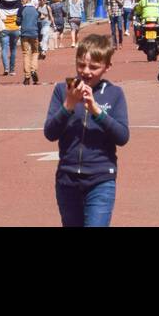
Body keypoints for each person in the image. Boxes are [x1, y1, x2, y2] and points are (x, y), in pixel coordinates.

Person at [43, 35, 129, 226]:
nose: (86, 72)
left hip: (101, 178)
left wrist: (97, 110)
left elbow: (122, 136)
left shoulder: (114, 94)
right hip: (67, 179)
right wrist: (68, 105)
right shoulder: (62, 90)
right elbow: (50, 133)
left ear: (107, 67)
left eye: (93, 67)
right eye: (81, 65)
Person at [0, 0, 22, 77]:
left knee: (4, 49)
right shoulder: (19, 4)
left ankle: (6, 68)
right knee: (13, 49)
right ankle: (12, 70)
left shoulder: (0, 4)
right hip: (15, 28)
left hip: (4, 28)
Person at [19, 0, 41, 84]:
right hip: (34, 33)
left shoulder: (22, 9)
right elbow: (39, 23)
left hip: (24, 34)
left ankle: (27, 76)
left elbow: (18, 22)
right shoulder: (36, 11)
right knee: (35, 52)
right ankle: (33, 70)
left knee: (25, 53)